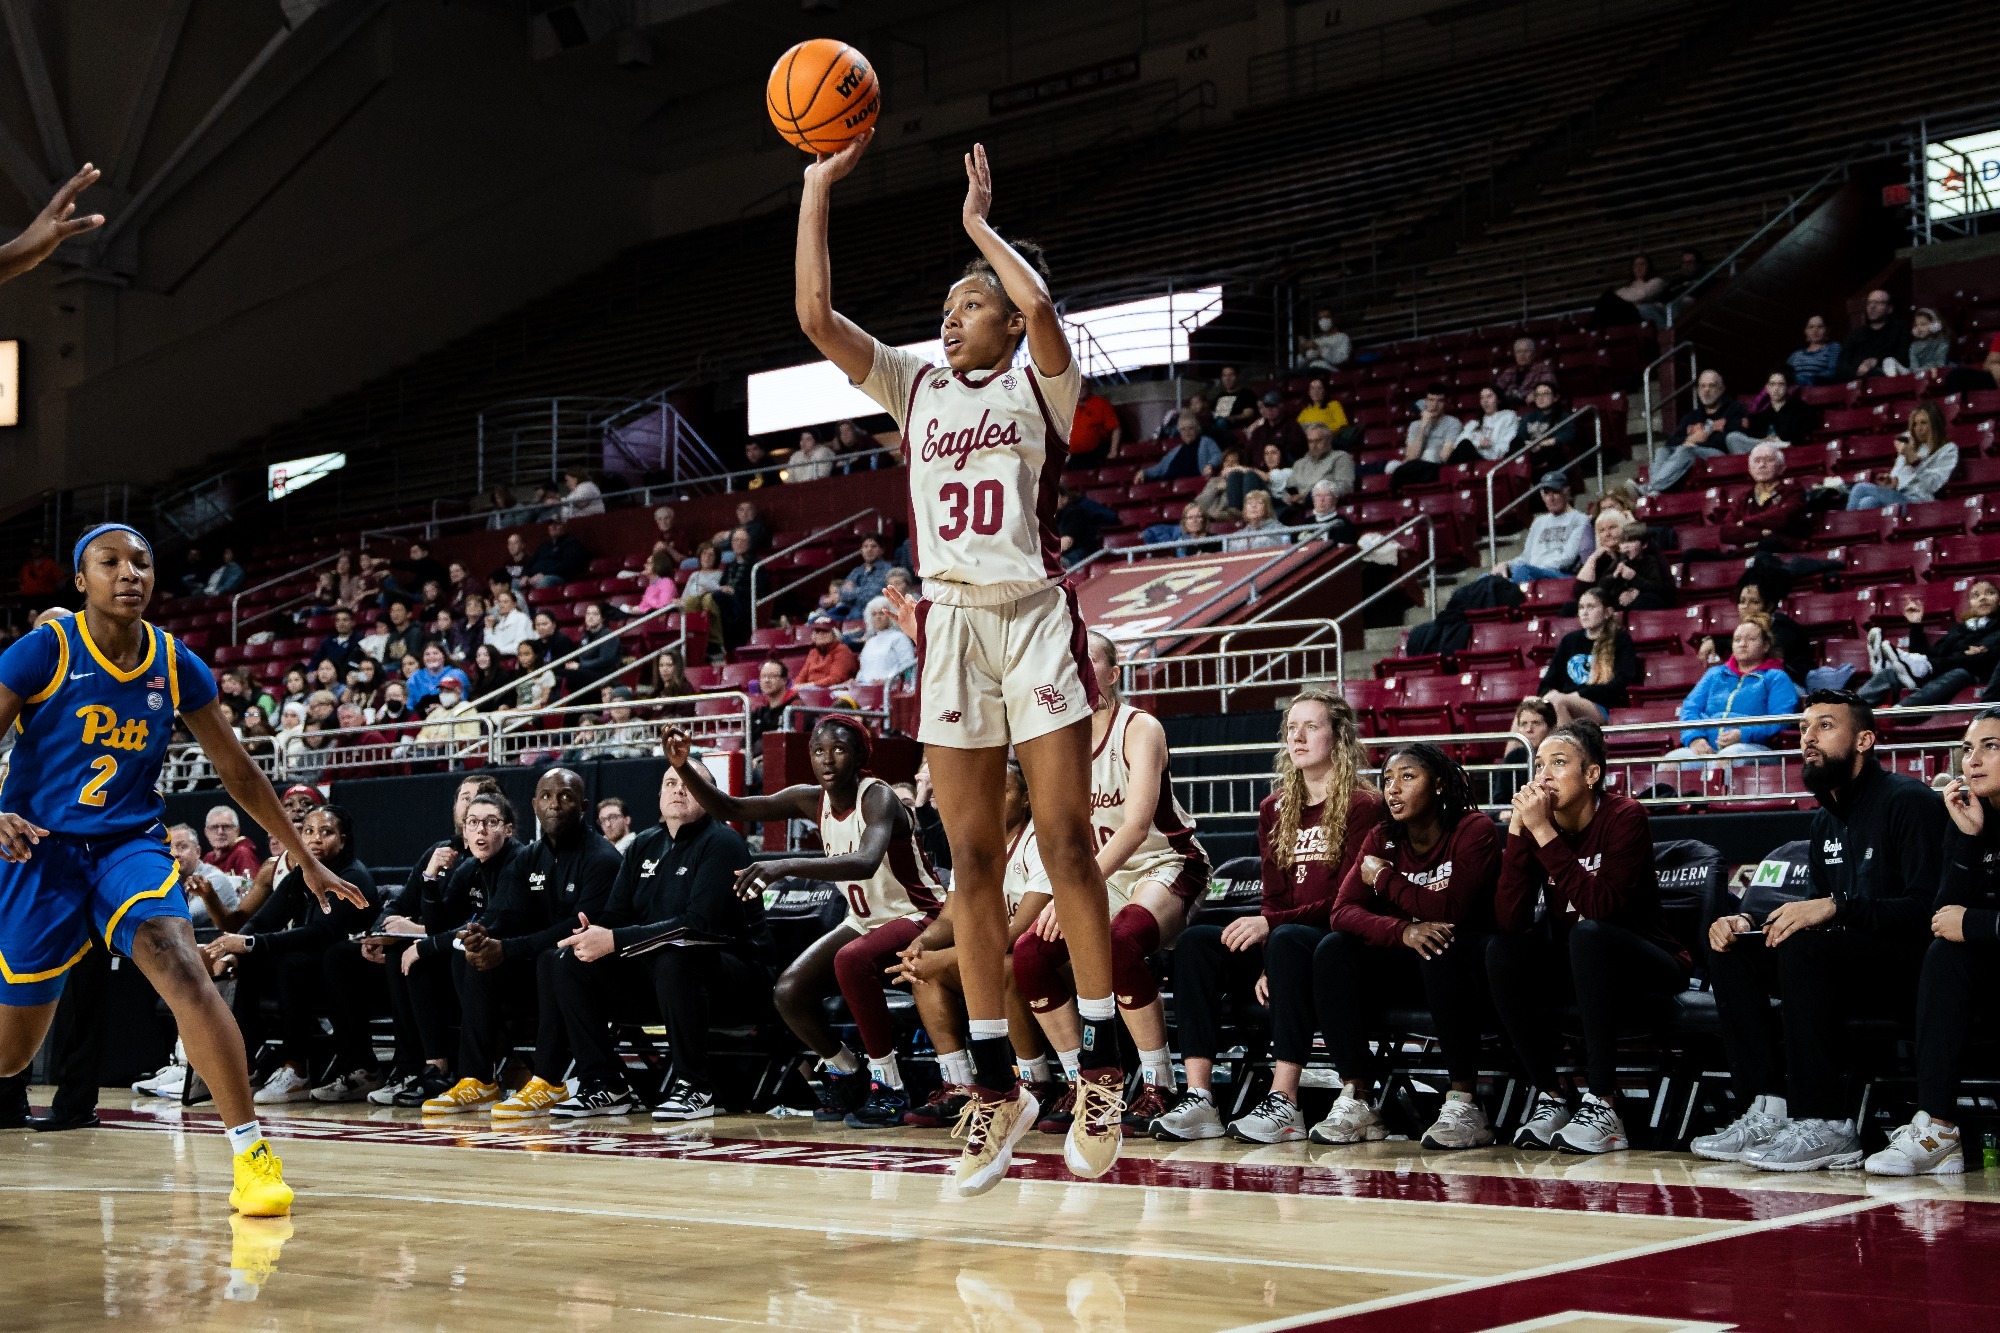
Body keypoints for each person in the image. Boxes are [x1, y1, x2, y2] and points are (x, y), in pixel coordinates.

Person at [800, 134, 1126, 1192]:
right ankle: (996, 1085)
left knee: (1068, 841)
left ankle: (1104, 1063)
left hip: (1029, 616)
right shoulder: (915, 384)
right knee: (973, 864)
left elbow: (1041, 313)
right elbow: (813, 319)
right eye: (946, 302)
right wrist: (814, 188)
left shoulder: (1041, 380)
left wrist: (982, 230)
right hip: (949, 630)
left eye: (967, 299)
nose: (950, 315)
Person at [0, 521, 364, 1217]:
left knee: (182, 966)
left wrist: (304, 856)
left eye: (141, 561)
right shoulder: (43, 649)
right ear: (81, 581)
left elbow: (237, 769)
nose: (129, 572)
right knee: (12, 1057)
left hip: (126, 845)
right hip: (38, 850)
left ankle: (252, 1157)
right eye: (110, 562)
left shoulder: (173, 662)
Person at [1693, 691, 1942, 1171]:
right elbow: (1821, 911)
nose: (1809, 736)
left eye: (1825, 726)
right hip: (1844, 962)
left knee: (1806, 947)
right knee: (1734, 949)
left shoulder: (1907, 801)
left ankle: (1828, 1122)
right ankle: (1769, 1106)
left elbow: (1925, 909)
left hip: (1912, 967)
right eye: (1806, 727)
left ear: (1865, 739)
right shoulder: (1825, 821)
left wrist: (1835, 907)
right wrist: (1749, 921)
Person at [666, 717, 942, 1128]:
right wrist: (685, 766)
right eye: (818, 751)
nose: (827, 760)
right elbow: (730, 807)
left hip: (919, 915)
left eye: (839, 750)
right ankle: (848, 1071)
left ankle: (890, 1086)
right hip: (866, 920)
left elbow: (866, 862)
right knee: (790, 992)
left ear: (860, 755)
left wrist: (786, 865)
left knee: (850, 960)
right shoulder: (808, 797)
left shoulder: (878, 797)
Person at [1155, 690, 1385, 1142]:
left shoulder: (1365, 806)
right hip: (1282, 944)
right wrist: (1264, 957)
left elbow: (1347, 898)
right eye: (1291, 728)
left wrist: (1272, 932)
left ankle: (1286, 1101)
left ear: (1339, 736)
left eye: (1311, 727)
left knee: (1286, 939)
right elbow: (1275, 897)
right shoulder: (1275, 808)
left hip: (1338, 942)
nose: (1296, 737)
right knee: (1199, 941)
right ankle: (1200, 1096)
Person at [1014, 635, 1209, 1136]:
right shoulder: (1057, 738)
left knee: (1120, 943)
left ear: (1113, 671)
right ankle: (1088, 1081)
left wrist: (1072, 894)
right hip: (1098, 876)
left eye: (1088, 659)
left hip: (1164, 862)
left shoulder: (1140, 727)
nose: (1077, 668)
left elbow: (1137, 826)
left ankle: (1159, 1083)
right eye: (1069, 661)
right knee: (1030, 956)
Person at [1487, 719, 1689, 1154]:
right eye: (1539, 765)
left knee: (1588, 933)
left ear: (1592, 774)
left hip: (1649, 961)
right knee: (1502, 950)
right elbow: (1509, 919)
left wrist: (1541, 831)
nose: (1543, 776)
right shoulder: (1542, 825)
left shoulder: (1625, 816)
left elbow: (1602, 908)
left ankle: (1604, 1102)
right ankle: (1552, 1093)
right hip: (1583, 966)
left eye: (1558, 764)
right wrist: (1519, 836)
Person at [551, 766, 772, 1122]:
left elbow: (698, 926)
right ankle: (604, 1082)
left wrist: (614, 939)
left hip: (735, 978)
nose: (678, 791)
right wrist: (593, 934)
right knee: (567, 961)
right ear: (658, 796)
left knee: (677, 953)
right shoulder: (643, 843)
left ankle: (695, 1086)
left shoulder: (724, 842)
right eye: (670, 783)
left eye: (690, 785)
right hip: (662, 980)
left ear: (710, 796)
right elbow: (618, 917)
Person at [1312, 744, 1502, 1149]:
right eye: (1387, 781)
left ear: (1437, 785)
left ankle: (1465, 1103)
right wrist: (1401, 932)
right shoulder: (1381, 837)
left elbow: (1453, 909)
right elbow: (1342, 911)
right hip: (1407, 964)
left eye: (1407, 777)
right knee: (1334, 949)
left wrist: (1386, 881)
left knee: (1439, 942)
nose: (1393, 790)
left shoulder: (1474, 830)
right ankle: (1359, 1097)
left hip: (1471, 971)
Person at [422, 768, 622, 1117]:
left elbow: (575, 926)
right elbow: (507, 912)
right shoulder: (529, 857)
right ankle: (477, 1080)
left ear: (584, 806)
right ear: (533, 804)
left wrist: (509, 948)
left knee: (554, 958)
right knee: (472, 958)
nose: (554, 805)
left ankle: (548, 1081)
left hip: (593, 970)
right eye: (546, 796)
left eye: (565, 797)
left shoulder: (602, 858)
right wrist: (483, 935)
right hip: (536, 965)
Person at [1864, 709, 2000, 1175]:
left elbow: (1964, 921)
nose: (1973, 760)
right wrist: (1967, 839)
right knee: (1945, 954)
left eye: (1991, 747)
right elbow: (1944, 918)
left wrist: (1979, 925)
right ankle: (1939, 1129)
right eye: (1967, 749)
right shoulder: (1971, 815)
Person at [202, 805, 378, 1104]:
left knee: (291, 963)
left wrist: (250, 944)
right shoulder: (300, 876)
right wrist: (235, 947)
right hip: (315, 967)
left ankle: (298, 1068)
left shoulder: (351, 876)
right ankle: (252, 1061)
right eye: (308, 831)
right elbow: (261, 920)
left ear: (343, 840)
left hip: (360, 972)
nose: (315, 839)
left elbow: (320, 934)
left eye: (326, 832)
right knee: (252, 963)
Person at [363, 784, 519, 1109]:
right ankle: (435, 1069)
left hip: (520, 961)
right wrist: (431, 878)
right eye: (473, 822)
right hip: (481, 960)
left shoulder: (518, 860)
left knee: (461, 955)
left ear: (508, 828)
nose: (480, 830)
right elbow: (438, 923)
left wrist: (424, 946)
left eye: (490, 822)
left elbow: (490, 922)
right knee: (424, 959)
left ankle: (476, 1077)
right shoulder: (469, 866)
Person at [1661, 620, 1800, 763]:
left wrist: (1744, 734)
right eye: (1737, 640)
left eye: (1751, 639)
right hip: (1707, 745)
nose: (1742, 644)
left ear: (1765, 646)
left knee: (1728, 757)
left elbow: (1781, 719)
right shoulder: (1714, 674)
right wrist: (1695, 737)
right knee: (1670, 762)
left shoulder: (1776, 677)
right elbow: (1690, 708)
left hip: (1754, 746)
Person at [1854, 581, 2000, 707]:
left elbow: (1989, 656)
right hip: (1941, 671)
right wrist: (1916, 624)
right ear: (1970, 605)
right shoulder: (1959, 629)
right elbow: (1928, 654)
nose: (1983, 598)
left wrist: (1978, 651)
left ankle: (1899, 711)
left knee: (1959, 673)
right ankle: (1852, 706)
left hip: (1976, 675)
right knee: (1892, 672)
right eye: (1976, 596)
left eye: (1990, 593)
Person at [1536, 586, 1639, 724]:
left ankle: (1567, 745)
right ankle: (1518, 747)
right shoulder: (1569, 641)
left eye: (1590, 607)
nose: (1584, 613)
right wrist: (1548, 693)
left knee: (1558, 702)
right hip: (1563, 701)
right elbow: (1548, 682)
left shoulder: (1620, 640)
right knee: (1528, 706)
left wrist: (1579, 695)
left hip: (1601, 706)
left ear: (1608, 612)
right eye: (1581, 607)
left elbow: (1620, 683)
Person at [1642, 370, 1754, 495]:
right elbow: (1670, 442)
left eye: (1712, 386)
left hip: (1720, 454)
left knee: (1687, 451)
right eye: (1703, 386)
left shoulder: (1735, 409)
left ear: (1722, 389)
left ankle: (1650, 487)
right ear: (1698, 390)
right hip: (1694, 451)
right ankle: (1655, 491)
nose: (1706, 390)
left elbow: (1734, 438)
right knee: (1662, 451)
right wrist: (1689, 440)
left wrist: (1703, 439)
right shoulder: (1692, 416)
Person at [1842, 401, 1957, 510]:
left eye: (1924, 423)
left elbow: (1931, 485)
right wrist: (1893, 482)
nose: (1918, 428)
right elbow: (1898, 473)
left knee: (1860, 488)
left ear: (1935, 424)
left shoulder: (1948, 449)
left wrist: (1912, 459)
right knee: (1867, 503)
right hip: (1898, 495)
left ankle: (1846, 528)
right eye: (1915, 424)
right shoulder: (1910, 441)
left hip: (1919, 502)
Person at [1493, 473, 1591, 583]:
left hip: (1561, 574)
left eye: (1555, 492)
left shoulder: (1580, 519)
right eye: (1547, 493)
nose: (1551, 498)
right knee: (1487, 578)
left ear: (1566, 491)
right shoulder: (1538, 522)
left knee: (1521, 571)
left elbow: (1567, 558)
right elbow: (1526, 557)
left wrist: (1534, 567)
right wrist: (1506, 564)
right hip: (1531, 571)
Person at [1717, 444, 1808, 552]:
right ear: (1750, 469)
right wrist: (1761, 533)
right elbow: (1725, 532)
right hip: (1745, 553)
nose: (1762, 465)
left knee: (1768, 544)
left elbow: (1781, 518)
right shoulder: (1744, 497)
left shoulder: (1792, 490)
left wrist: (1745, 522)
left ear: (1781, 468)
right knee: (1694, 554)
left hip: (1780, 551)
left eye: (1769, 460)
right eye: (1757, 461)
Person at [1385, 383, 1466, 492]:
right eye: (1431, 400)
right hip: (1413, 465)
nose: (1435, 405)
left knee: (1430, 454)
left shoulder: (1453, 423)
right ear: (1425, 402)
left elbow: (1445, 456)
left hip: (1434, 465)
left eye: (1440, 401)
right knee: (1391, 466)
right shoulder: (1415, 425)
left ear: (1445, 403)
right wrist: (1423, 426)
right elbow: (1411, 456)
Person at [1735, 368, 1815, 450]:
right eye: (1772, 384)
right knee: (1733, 437)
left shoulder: (1800, 408)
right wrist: (1764, 440)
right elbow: (1753, 437)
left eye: (1781, 384)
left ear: (1787, 387)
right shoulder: (1762, 412)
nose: (1776, 388)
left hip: (1788, 448)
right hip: (1762, 449)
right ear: (1767, 388)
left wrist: (1780, 441)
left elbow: (1803, 435)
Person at [1834, 289, 1904, 381]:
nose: (1872, 306)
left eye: (1878, 303)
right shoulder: (1855, 334)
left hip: (1887, 378)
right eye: (1869, 302)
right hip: (1856, 380)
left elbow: (1902, 357)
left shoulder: (1899, 329)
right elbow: (1842, 365)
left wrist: (1876, 361)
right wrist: (1857, 370)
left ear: (1889, 308)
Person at [1140, 410, 1224, 482]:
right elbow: (1160, 467)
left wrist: (1210, 465)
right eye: (1183, 429)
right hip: (1169, 483)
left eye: (1190, 428)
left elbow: (1218, 455)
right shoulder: (1176, 450)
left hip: (1191, 485)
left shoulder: (1206, 441)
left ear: (1197, 429)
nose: (1187, 432)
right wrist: (1145, 473)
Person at [1283, 422, 1356, 505]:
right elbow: (1289, 489)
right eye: (1310, 441)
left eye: (1318, 441)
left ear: (1329, 439)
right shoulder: (1299, 464)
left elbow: (1346, 487)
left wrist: (1310, 495)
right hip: (1298, 508)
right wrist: (1290, 497)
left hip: (1327, 506)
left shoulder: (1341, 457)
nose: (1313, 445)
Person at [1515, 381, 1575, 476]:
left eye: (1546, 394)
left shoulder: (1562, 416)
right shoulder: (1529, 417)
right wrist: (1529, 445)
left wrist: (1542, 444)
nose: (1541, 398)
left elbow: (1569, 434)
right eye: (1537, 395)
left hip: (1552, 456)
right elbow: (1519, 436)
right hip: (1531, 453)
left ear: (1555, 397)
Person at [856, 596, 917, 685]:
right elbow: (864, 670)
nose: (878, 617)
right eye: (874, 614)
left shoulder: (899, 638)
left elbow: (908, 668)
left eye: (882, 613)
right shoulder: (869, 642)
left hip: (890, 689)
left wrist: (889, 680)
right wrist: (856, 681)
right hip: (866, 689)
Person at [832, 534, 893, 618]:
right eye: (865, 546)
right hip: (850, 615)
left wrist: (852, 591)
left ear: (882, 550)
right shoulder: (856, 571)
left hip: (874, 616)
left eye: (873, 546)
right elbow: (842, 594)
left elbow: (873, 594)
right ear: (861, 550)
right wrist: (863, 590)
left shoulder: (888, 570)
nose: (869, 550)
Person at [1067, 380, 1123, 468]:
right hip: (1075, 457)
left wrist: (1113, 451)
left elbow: (1115, 428)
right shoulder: (1069, 407)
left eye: (1083, 386)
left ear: (1089, 387)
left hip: (1096, 455)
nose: (1080, 389)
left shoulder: (1101, 403)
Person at [1456, 385, 1520, 462]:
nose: (1485, 401)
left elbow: (1507, 445)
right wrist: (1479, 444)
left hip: (1497, 461)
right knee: (1464, 445)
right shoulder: (1474, 423)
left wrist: (1490, 446)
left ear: (1498, 399)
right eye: (1482, 398)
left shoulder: (1508, 416)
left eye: (1489, 396)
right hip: (1475, 460)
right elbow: (1458, 444)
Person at [1054, 485, 1113, 566]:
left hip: (1080, 558)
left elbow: (1066, 542)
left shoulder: (1073, 512)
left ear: (1065, 497)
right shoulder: (1055, 516)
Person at [524, 519, 589, 590]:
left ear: (565, 526)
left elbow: (567, 565)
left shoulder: (571, 543)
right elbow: (529, 564)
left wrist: (543, 574)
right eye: (551, 524)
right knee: (515, 583)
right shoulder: (544, 545)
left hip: (557, 577)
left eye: (557, 524)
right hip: (535, 577)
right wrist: (525, 575)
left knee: (543, 581)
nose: (553, 527)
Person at [1241, 390, 1306, 461]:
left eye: (1273, 406)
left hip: (1282, 469)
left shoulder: (1292, 427)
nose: (1269, 409)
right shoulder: (1258, 431)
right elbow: (1247, 453)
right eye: (1266, 406)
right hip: (1257, 469)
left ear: (1281, 406)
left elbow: (1296, 451)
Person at [405, 643, 470, 712]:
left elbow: (462, 701)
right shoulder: (415, 677)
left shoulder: (457, 674)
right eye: (427, 654)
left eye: (435, 653)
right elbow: (409, 705)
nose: (431, 657)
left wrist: (441, 709)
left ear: (444, 656)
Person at [1221, 490, 1291, 553]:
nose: (1253, 506)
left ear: (1267, 508)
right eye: (1249, 503)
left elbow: (1283, 549)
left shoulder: (1279, 529)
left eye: (1259, 503)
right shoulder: (1238, 535)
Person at [1495, 337, 1557, 407]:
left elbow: (1548, 387)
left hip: (1533, 408)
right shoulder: (1508, 372)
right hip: (1509, 408)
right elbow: (1496, 390)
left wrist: (1535, 394)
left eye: (1526, 351)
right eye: (1519, 352)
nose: (1522, 355)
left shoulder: (1543, 369)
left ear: (1533, 354)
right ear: (1515, 355)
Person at [204, 806, 264, 879]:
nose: (220, 832)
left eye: (226, 827)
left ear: (237, 831)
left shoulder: (243, 853)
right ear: (206, 832)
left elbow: (250, 887)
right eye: (214, 827)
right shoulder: (208, 858)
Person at [1140, 502, 1219, 554]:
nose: (1194, 520)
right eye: (1190, 518)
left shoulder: (1216, 540)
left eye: (1198, 517)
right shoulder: (1180, 544)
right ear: (1184, 522)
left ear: (1204, 519)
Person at [1787, 314, 1841, 386]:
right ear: (1805, 331)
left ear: (1827, 330)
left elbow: (1833, 372)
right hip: (1794, 390)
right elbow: (1785, 373)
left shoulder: (1833, 348)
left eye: (1820, 327)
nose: (1815, 331)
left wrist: (1808, 378)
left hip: (1817, 388)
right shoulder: (1796, 355)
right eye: (1811, 327)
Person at [1206, 364, 1258, 434]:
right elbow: (1212, 413)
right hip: (1215, 424)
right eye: (1224, 375)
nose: (1227, 379)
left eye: (1231, 375)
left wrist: (1231, 418)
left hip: (1233, 426)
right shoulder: (1220, 396)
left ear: (1237, 377)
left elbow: (1249, 413)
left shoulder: (1246, 393)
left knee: (1221, 422)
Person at [1295, 307, 1351, 371]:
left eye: (1326, 317)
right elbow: (1299, 365)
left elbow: (1343, 359)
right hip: (1311, 370)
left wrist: (1318, 349)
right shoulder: (1317, 340)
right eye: (1320, 318)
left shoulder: (1343, 338)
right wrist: (1302, 352)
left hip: (1329, 371)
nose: (1323, 320)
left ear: (1334, 319)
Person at [483, 589, 533, 656]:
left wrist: (499, 650)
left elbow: (521, 645)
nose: (501, 605)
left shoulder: (521, 618)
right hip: (499, 657)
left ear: (514, 604)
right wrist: (488, 629)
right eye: (499, 602)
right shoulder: (500, 623)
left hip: (514, 657)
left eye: (505, 602)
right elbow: (490, 646)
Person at [1907, 307, 1951, 373]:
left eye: (1923, 324)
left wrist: (1923, 370)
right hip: (1915, 374)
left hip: (1935, 373)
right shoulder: (1913, 346)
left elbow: (1940, 364)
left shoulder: (1942, 342)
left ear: (1935, 325)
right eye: (1916, 325)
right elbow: (1913, 367)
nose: (1918, 328)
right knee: (1890, 361)